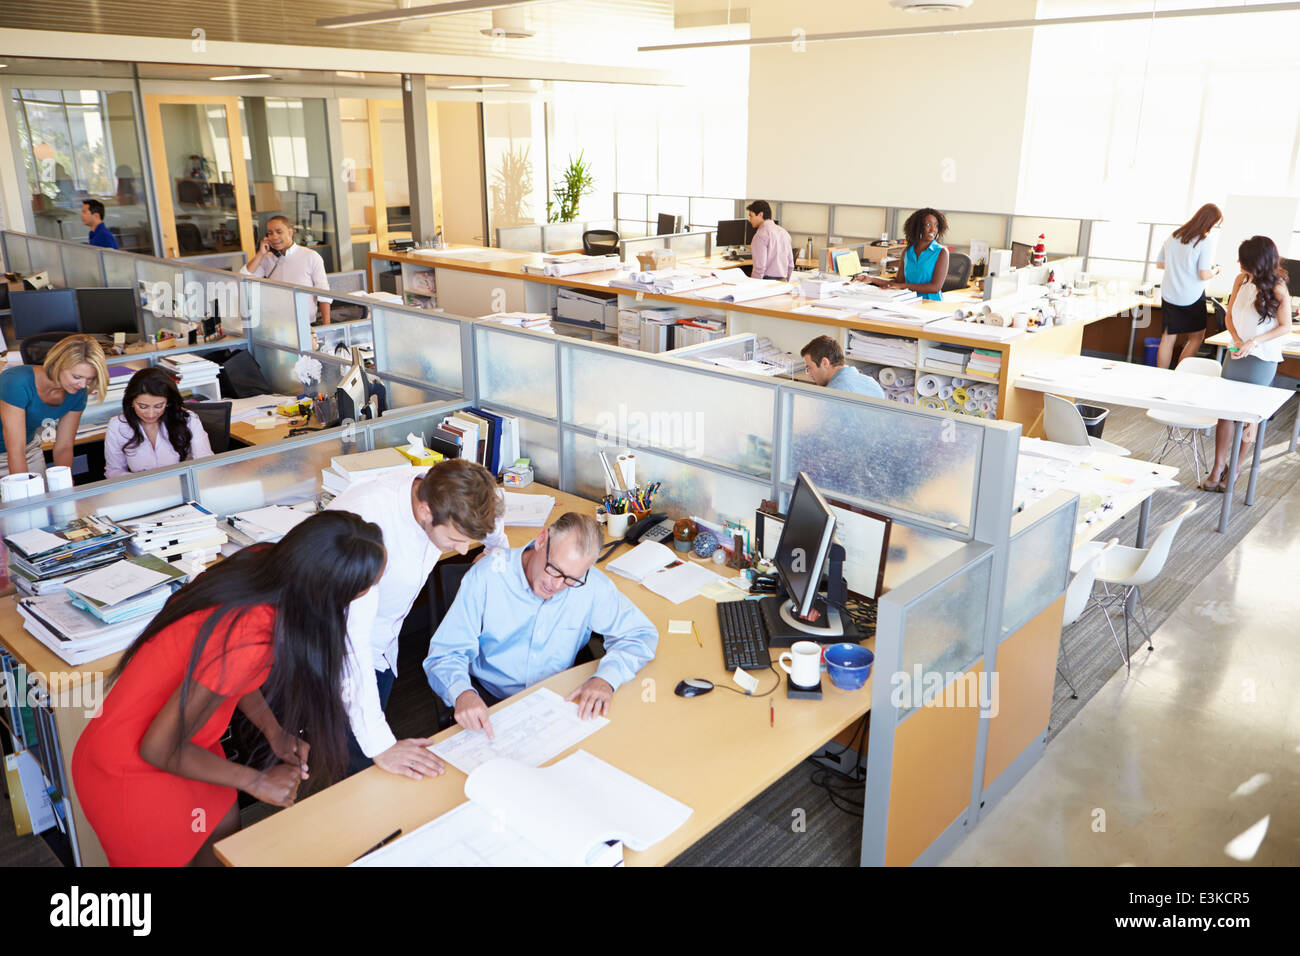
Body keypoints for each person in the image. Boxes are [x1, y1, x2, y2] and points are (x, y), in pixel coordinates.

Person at [71, 511, 386, 866]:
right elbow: (157, 748)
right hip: (133, 769)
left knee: (225, 851)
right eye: (360, 592)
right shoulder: (253, 632)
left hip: (194, 748)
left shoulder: (266, 565)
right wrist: (256, 781)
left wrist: (274, 731)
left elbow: (230, 676)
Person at [326, 458, 507, 777]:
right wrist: (381, 746)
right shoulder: (366, 529)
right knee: (356, 764)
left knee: (373, 748)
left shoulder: (447, 491)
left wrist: (495, 552)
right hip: (334, 648)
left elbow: (491, 521)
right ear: (425, 512)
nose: (463, 551)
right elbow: (350, 650)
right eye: (454, 540)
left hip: (383, 641)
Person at [424, 512, 658, 735]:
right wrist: (462, 694)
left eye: (570, 579)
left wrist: (606, 678)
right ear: (541, 540)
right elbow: (444, 654)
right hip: (492, 703)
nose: (556, 585)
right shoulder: (486, 577)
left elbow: (639, 634)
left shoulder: (591, 586)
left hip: (560, 701)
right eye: (554, 569)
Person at [1203, 236, 1292, 492]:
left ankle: (1237, 466)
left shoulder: (1277, 288)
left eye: (1244, 259)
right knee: (1225, 413)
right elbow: (1230, 316)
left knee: (1246, 415)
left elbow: (1286, 326)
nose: (1239, 263)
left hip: (1261, 359)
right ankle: (1218, 467)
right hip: (1237, 353)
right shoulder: (1241, 280)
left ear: (1258, 262)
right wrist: (1239, 340)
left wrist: (1254, 341)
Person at [0, 334, 108, 479]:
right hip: (15, 451)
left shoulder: (77, 392)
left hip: (28, 449)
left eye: (89, 379)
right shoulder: (16, 382)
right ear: (58, 364)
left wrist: (66, 487)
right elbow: (15, 450)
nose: (83, 385)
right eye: (76, 377)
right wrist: (23, 490)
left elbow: (64, 447)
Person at [103, 367, 215, 477]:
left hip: (182, 486)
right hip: (141, 490)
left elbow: (206, 463)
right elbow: (113, 471)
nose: (150, 414)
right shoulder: (117, 426)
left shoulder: (189, 420)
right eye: (142, 406)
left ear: (168, 402)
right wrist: (135, 479)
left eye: (158, 406)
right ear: (131, 402)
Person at [1155, 203, 1222, 369]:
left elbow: (1160, 264)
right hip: (1191, 295)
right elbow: (1204, 274)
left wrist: (1177, 267)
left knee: (1168, 337)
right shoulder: (1204, 241)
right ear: (1210, 222)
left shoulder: (1174, 236)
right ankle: (1180, 375)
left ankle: (1159, 375)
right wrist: (1216, 270)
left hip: (1170, 293)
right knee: (1197, 337)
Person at [241, 214, 332, 324]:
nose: (274, 237)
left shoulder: (310, 256)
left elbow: (323, 294)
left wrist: (326, 327)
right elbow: (243, 276)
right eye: (270, 233)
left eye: (279, 232)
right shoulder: (268, 258)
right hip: (276, 323)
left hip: (305, 324)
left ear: (290, 232)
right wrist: (260, 254)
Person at [860, 208, 949, 300]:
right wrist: (871, 279)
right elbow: (898, 282)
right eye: (928, 225)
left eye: (936, 225)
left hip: (931, 303)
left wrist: (902, 286)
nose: (933, 229)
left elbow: (935, 287)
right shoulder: (908, 251)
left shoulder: (941, 252)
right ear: (917, 226)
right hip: (908, 300)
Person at [801, 335, 885, 398]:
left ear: (824, 363)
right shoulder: (873, 384)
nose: (809, 374)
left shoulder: (832, 393)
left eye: (810, 367)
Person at [746, 200, 794, 281]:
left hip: (767, 282)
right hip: (783, 281)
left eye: (751, 216)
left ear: (760, 214)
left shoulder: (760, 235)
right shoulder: (784, 232)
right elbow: (790, 265)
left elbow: (759, 268)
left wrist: (753, 285)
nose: (749, 219)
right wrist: (786, 282)